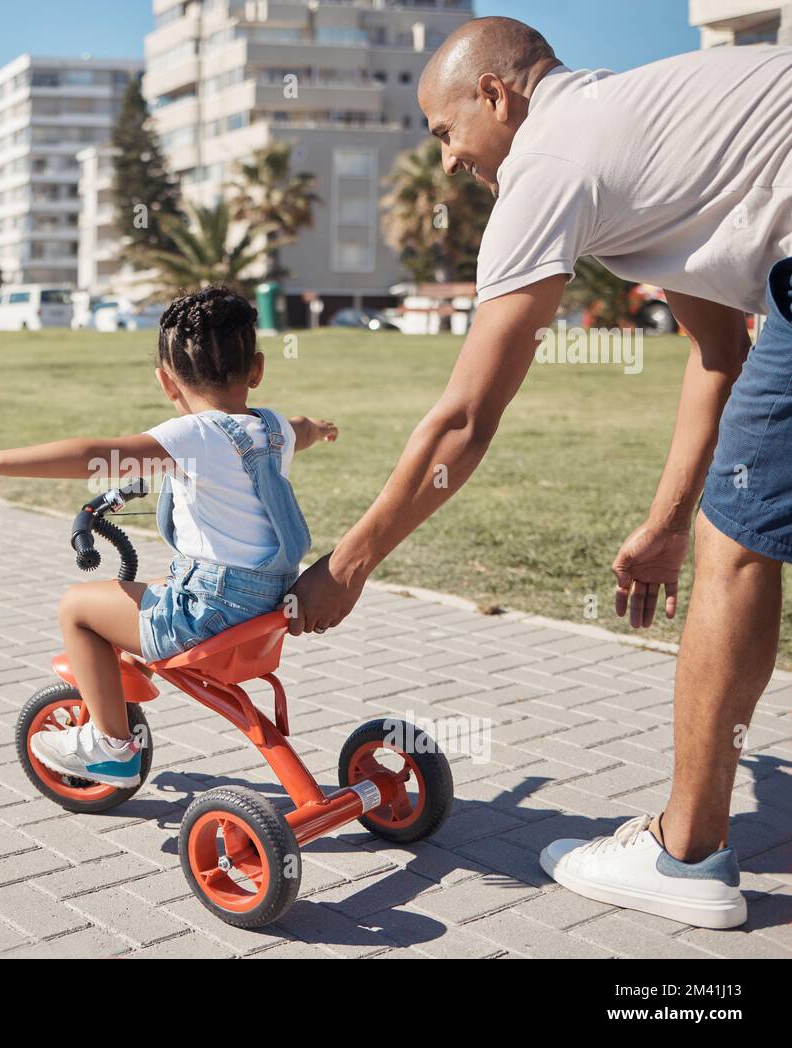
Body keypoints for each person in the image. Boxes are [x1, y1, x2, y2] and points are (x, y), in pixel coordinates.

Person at [289, 16, 792, 930]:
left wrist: (347, 564)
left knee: (743, 547)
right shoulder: (637, 134)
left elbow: (465, 420)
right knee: (731, 529)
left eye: (445, 133)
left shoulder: (547, 163)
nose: (446, 163)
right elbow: (720, 349)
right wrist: (669, 518)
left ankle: (685, 857)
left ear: (497, 95)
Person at [0, 286, 337, 786]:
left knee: (77, 607)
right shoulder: (273, 429)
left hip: (214, 611)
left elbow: (92, 454)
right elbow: (303, 427)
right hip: (267, 601)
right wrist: (322, 427)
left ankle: (110, 748)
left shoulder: (193, 435)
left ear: (166, 382)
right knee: (145, 589)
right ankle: (112, 721)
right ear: (258, 370)